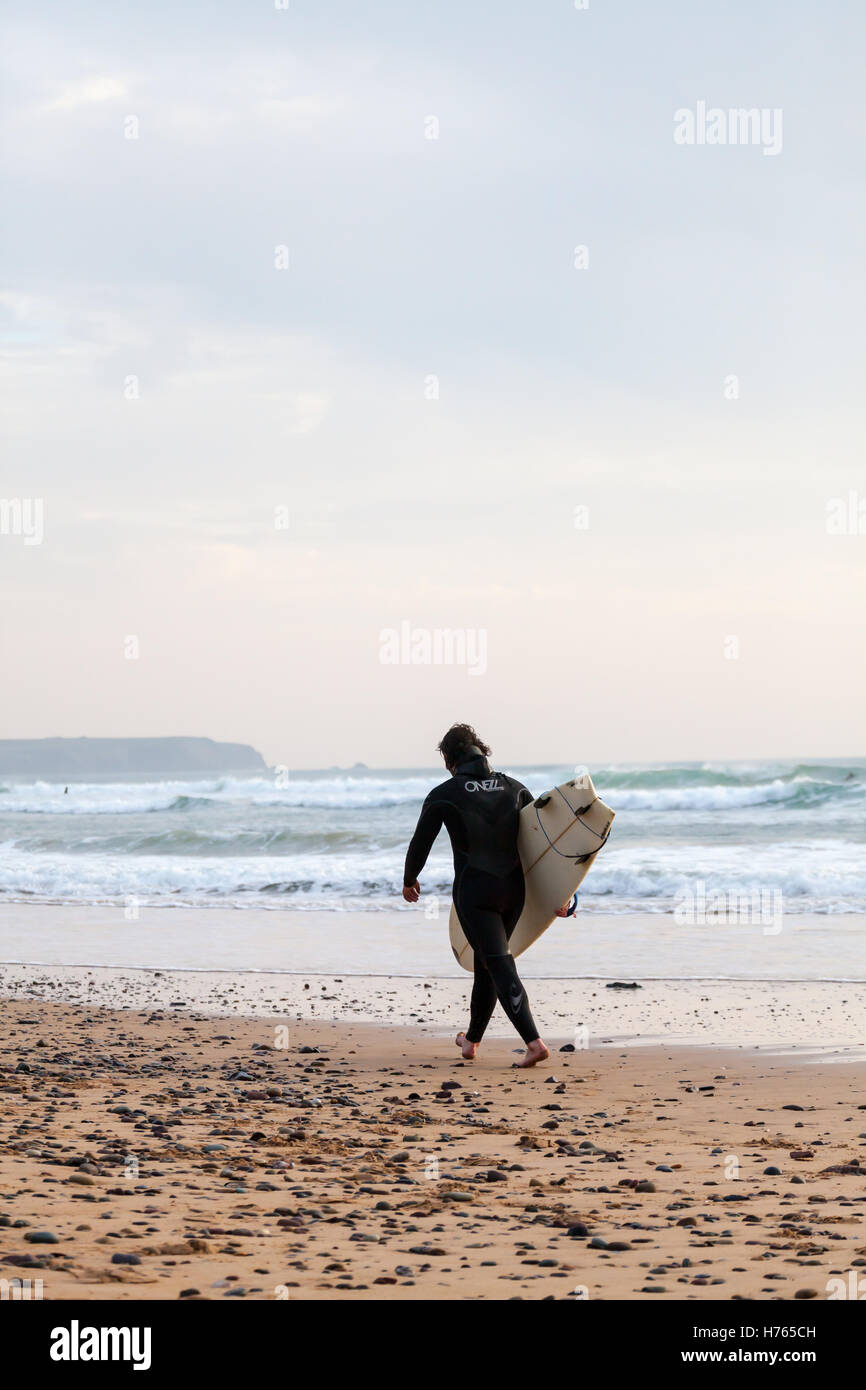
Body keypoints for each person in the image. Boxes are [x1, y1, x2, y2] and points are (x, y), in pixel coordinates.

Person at [402, 723, 555, 1068]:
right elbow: (541, 846)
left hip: (475, 891)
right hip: (514, 891)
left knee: (498, 961)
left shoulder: (445, 793)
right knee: (488, 963)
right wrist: (556, 895)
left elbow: (420, 842)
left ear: (448, 758)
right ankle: (471, 1042)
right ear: (482, 751)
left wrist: (409, 879)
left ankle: (534, 1043)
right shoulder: (514, 788)